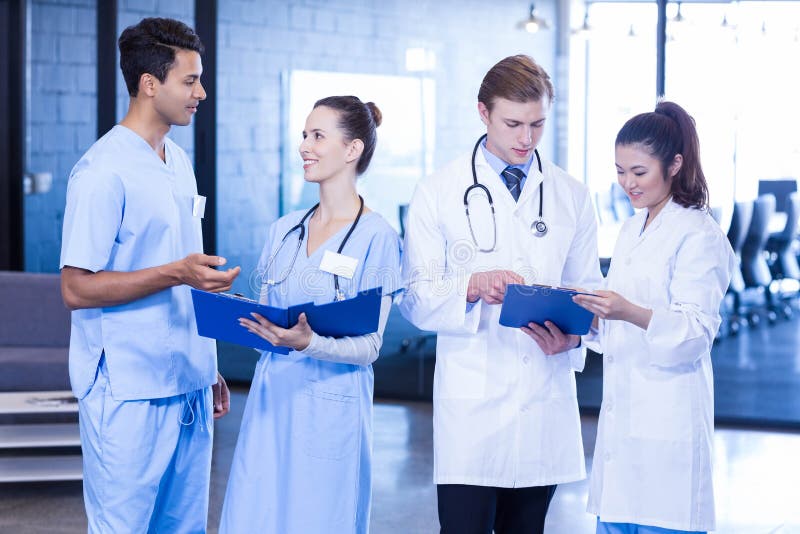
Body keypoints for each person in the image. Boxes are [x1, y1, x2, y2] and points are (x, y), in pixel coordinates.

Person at [399, 54, 602, 533]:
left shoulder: (572, 195)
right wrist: (471, 286)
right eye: (513, 124)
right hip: (472, 405)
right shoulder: (438, 190)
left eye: (537, 124)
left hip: (543, 396)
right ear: (483, 113)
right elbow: (414, 297)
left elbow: (590, 291)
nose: (526, 138)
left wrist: (574, 338)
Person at [59, 17, 239, 533]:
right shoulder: (101, 172)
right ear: (149, 84)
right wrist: (176, 272)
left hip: (188, 381)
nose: (201, 93)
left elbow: (185, 270)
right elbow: (75, 288)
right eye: (190, 81)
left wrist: (205, 364)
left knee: (183, 527)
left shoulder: (178, 161)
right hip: (128, 388)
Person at [219, 96, 402, 534]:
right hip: (271, 401)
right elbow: (270, 314)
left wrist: (309, 343)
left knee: (318, 519)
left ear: (352, 149)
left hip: (331, 409)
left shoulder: (377, 237)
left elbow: (370, 346)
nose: (304, 145)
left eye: (318, 136)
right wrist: (240, 314)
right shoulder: (283, 231)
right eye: (304, 135)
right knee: (256, 518)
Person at [573, 101, 734, 534]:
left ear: (674, 165)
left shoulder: (699, 234)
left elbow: (696, 333)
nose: (627, 183)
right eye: (620, 171)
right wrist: (584, 321)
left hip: (669, 433)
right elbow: (616, 326)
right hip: (621, 438)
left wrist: (628, 311)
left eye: (639, 172)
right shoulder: (632, 228)